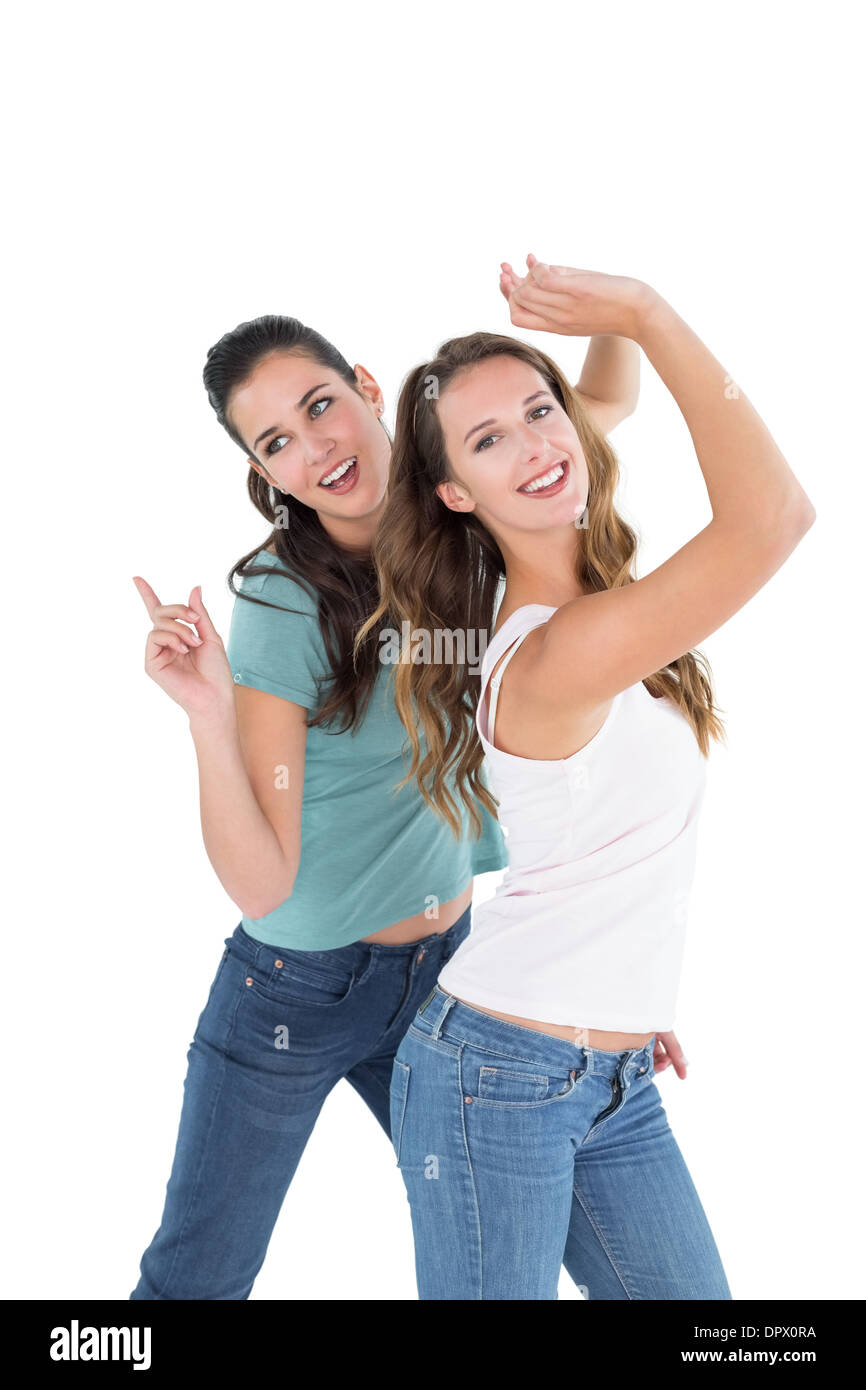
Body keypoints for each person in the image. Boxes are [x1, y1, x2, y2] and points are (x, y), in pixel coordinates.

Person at [128, 307, 645, 1299]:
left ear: (367, 385)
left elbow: (604, 405)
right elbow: (264, 881)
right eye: (275, 440)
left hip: (458, 977)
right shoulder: (283, 600)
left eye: (320, 404)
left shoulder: (464, 495)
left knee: (578, 1227)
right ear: (265, 472)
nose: (314, 447)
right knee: (196, 1277)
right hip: (297, 988)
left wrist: (619, 304)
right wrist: (205, 716)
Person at [361, 257, 816, 1299]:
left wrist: (619, 980)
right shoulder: (562, 649)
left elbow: (600, 840)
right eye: (488, 441)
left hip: (609, 1075)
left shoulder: (598, 612)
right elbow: (772, 516)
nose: (533, 445)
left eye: (539, 411)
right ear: (453, 493)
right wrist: (647, 313)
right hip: (497, 1080)